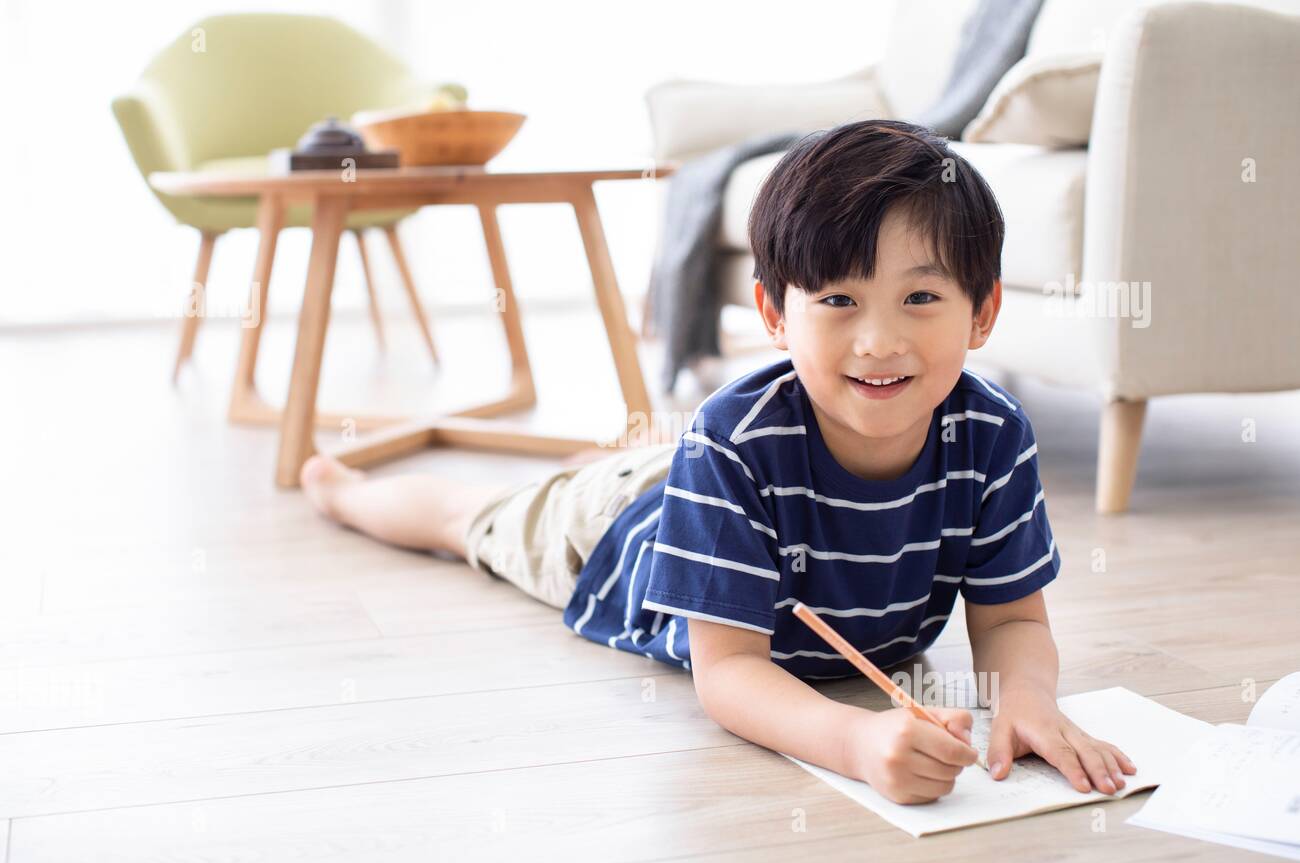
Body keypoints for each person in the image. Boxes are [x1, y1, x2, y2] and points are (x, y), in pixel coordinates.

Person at [301, 119, 1136, 806]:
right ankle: (345, 491)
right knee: (472, 522)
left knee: (685, 459)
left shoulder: (993, 435)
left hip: (707, 471)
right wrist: (853, 738)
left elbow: (1014, 621)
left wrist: (1025, 700)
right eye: (838, 300)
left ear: (983, 311)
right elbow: (731, 671)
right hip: (619, 533)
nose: (880, 342)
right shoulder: (733, 442)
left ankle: (640, 462)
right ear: (774, 312)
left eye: (921, 298)